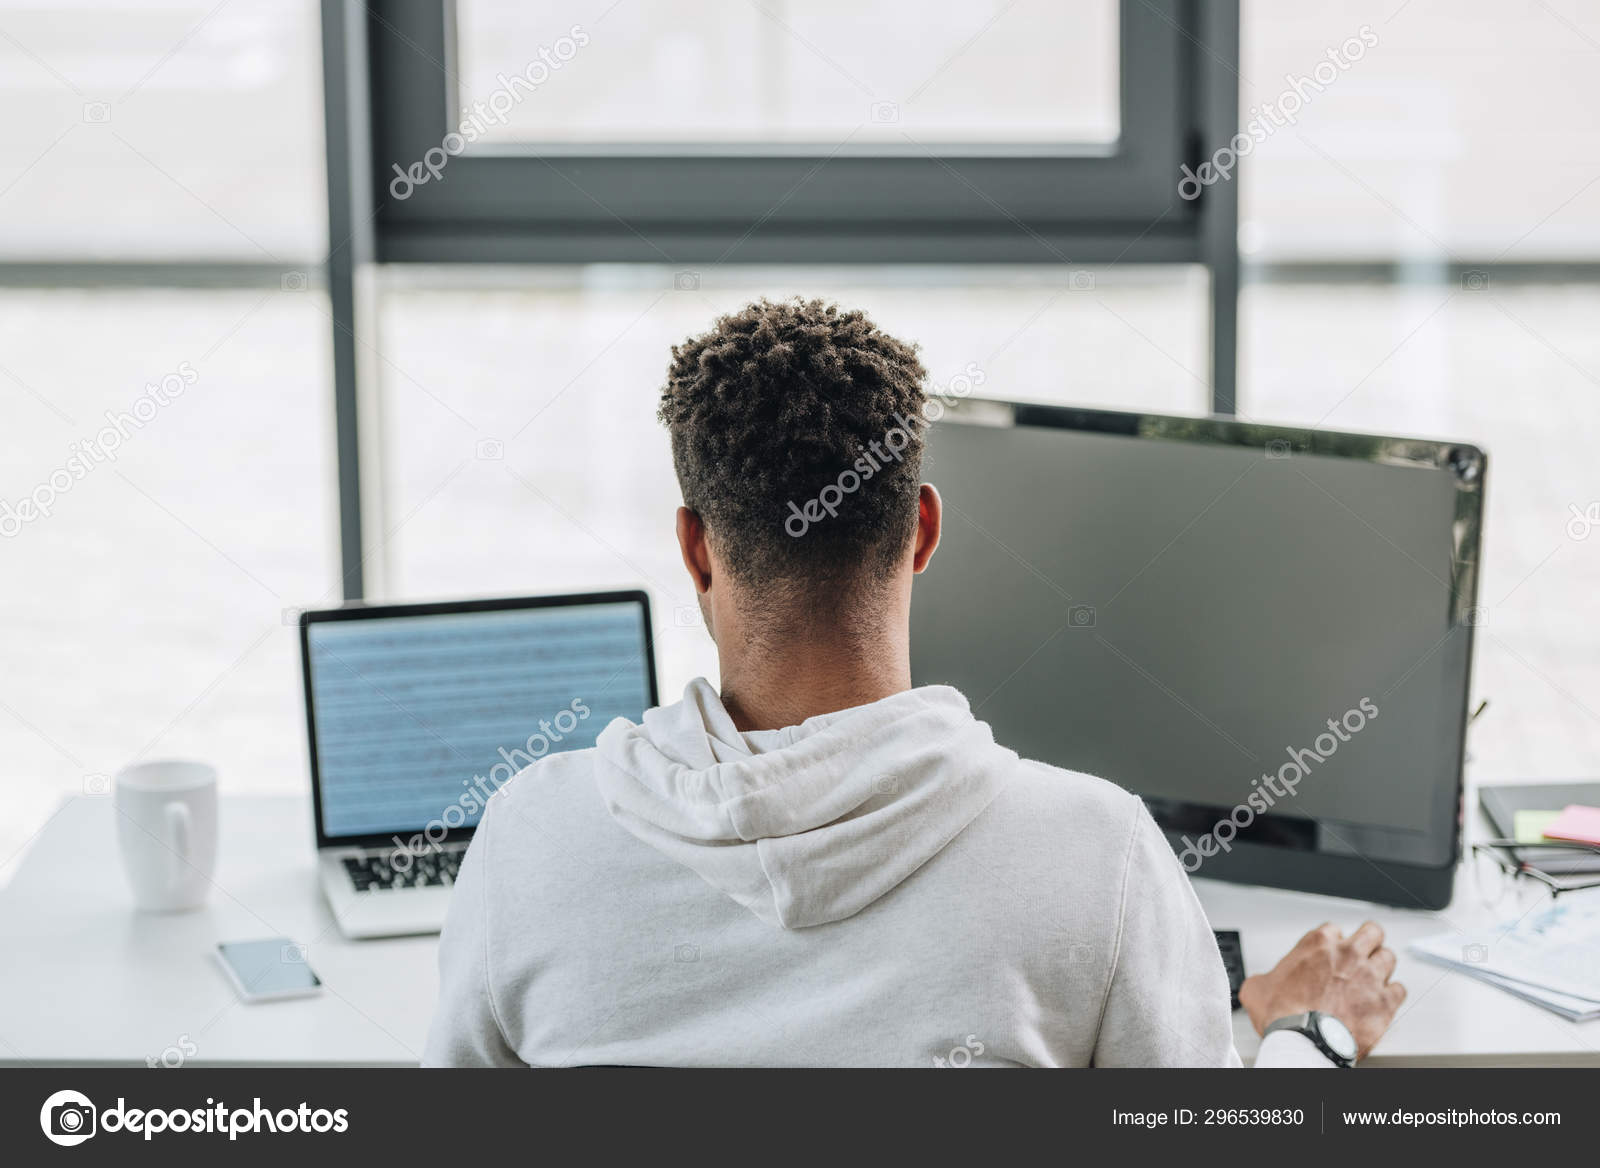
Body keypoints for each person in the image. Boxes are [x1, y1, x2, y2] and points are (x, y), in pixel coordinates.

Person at [424, 298, 1405, 1068]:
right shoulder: (1097, 855)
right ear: (924, 529)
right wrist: (1303, 1032)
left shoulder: (531, 836)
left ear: (694, 549)